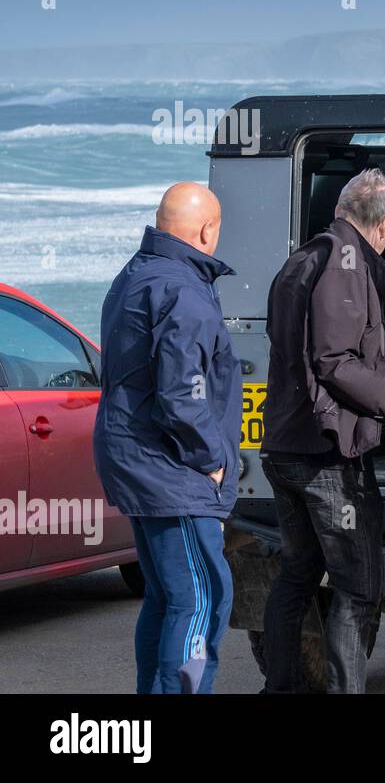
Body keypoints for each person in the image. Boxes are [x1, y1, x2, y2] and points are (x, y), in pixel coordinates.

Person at [261, 168, 385, 693]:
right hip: (326, 456)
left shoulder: (302, 258)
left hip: (283, 447)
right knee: (358, 587)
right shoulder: (345, 267)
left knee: (298, 575)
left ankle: (280, 688)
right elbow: (335, 363)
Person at [93, 182, 240, 694]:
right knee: (203, 599)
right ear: (207, 230)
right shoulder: (183, 290)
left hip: (138, 462)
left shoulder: (136, 275)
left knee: (167, 597)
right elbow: (182, 393)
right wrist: (211, 460)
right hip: (172, 469)